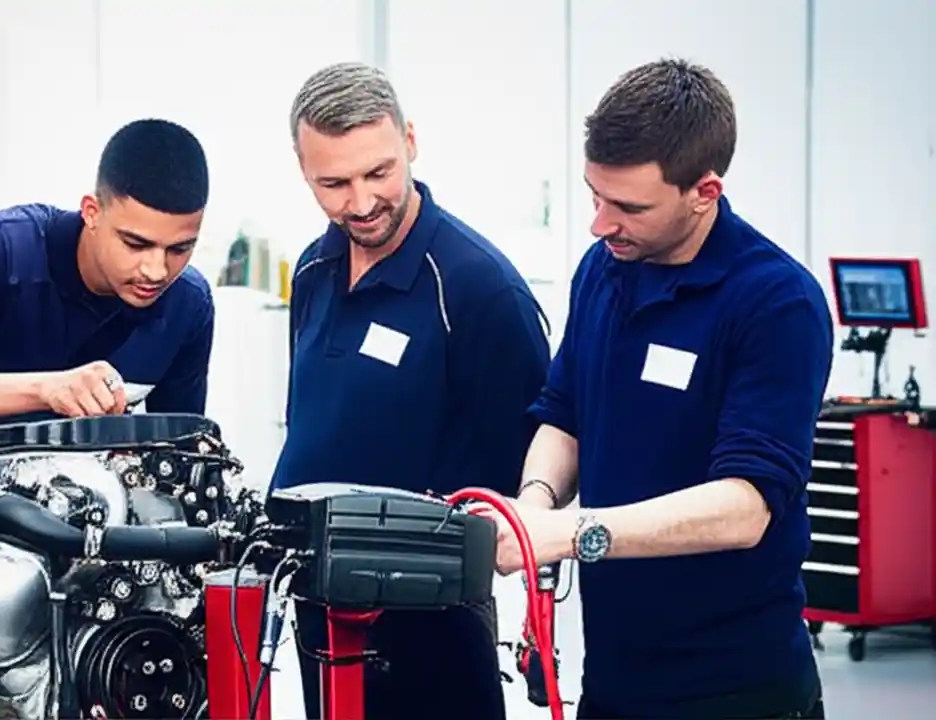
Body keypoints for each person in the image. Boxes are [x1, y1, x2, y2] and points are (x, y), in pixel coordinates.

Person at [480, 58, 831, 718]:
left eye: (629, 207)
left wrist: (570, 532)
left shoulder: (776, 303)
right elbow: (565, 413)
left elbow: (745, 506)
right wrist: (534, 507)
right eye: (595, 196)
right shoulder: (604, 269)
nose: (599, 224)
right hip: (615, 682)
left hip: (736, 691)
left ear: (704, 191)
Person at [271, 61, 552, 720]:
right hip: (321, 605)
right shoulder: (314, 270)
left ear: (412, 142)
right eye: (333, 183)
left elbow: (529, 465)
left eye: (379, 173)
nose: (361, 202)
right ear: (302, 168)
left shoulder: (479, 288)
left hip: (431, 619)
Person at [0, 118, 216, 432]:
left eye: (179, 249)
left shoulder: (189, 303)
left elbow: (180, 448)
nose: (156, 271)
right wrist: (47, 388)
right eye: (135, 244)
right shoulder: (1, 249)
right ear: (92, 212)